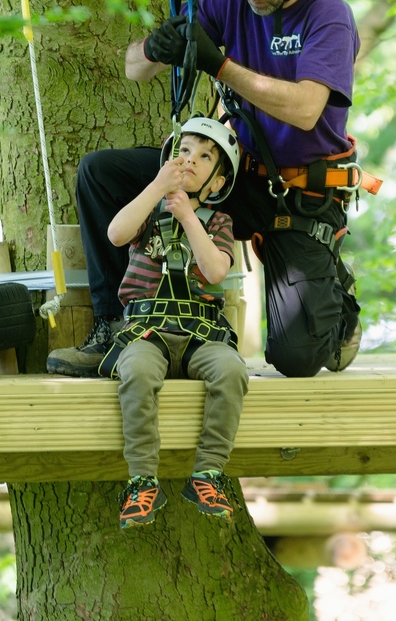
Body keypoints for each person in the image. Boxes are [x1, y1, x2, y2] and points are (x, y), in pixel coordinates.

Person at [48, 0, 363, 381]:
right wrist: (156, 46)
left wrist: (220, 64)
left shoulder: (329, 17)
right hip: (229, 177)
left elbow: (305, 109)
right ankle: (113, 325)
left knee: (298, 359)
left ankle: (337, 304)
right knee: (101, 173)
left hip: (299, 198)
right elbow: (135, 70)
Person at [101, 118, 248, 528]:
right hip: (148, 332)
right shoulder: (148, 210)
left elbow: (216, 270)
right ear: (169, 159)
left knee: (232, 370)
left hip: (202, 335)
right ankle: (143, 479)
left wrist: (188, 217)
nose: (191, 160)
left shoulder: (218, 222)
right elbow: (115, 234)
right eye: (184, 151)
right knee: (136, 371)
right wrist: (158, 190)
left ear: (217, 183)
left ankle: (208, 473)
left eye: (205, 157)